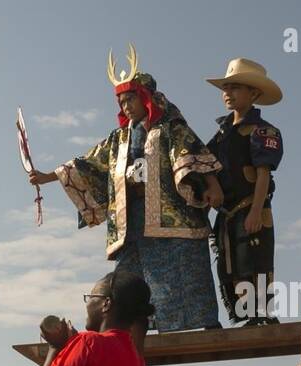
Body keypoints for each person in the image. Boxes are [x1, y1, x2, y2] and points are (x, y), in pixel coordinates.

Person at [34, 55, 224, 332]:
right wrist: (48, 176)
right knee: (129, 279)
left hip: (170, 215)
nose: (126, 106)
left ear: (146, 98)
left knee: (185, 268)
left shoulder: (171, 129)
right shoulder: (118, 139)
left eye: (130, 100)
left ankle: (205, 322)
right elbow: (87, 163)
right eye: (122, 102)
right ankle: (135, 327)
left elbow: (194, 154)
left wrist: (212, 185)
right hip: (131, 220)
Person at [204, 58, 284, 325]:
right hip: (227, 214)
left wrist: (256, 210)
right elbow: (204, 167)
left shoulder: (262, 131)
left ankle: (261, 314)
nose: (228, 94)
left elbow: (263, 173)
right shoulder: (219, 137)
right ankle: (244, 315)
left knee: (255, 260)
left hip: (252, 205)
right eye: (225, 88)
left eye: (235, 88)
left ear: (254, 94)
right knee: (230, 264)